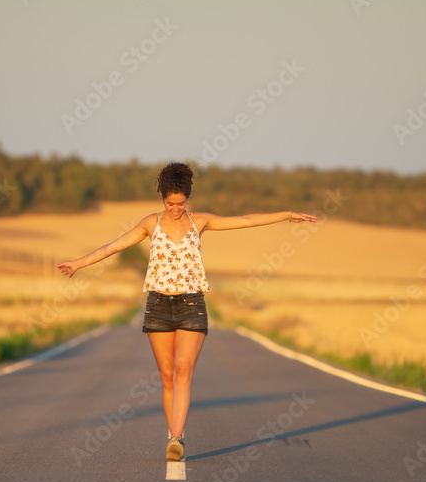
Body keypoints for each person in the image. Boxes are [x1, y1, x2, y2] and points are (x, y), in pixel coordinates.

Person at [56, 162, 317, 461]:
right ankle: (172, 433)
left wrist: (287, 215)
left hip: (192, 303)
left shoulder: (201, 222)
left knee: (183, 370)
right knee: (167, 376)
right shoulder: (150, 223)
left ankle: (177, 438)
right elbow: (113, 247)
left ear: (188, 199)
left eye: (181, 203)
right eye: (171, 203)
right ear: (162, 198)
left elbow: (245, 220)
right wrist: (78, 263)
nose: (176, 208)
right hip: (158, 305)